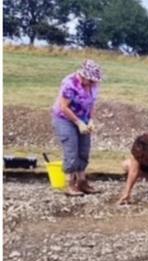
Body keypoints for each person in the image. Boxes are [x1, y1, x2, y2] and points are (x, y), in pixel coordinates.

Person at [52, 59, 102, 196]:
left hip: (84, 118)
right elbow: (63, 107)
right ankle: (70, 184)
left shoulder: (93, 85)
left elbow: (91, 104)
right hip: (65, 119)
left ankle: (82, 182)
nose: (93, 84)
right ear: (84, 76)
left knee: (84, 150)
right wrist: (78, 122)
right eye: (91, 81)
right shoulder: (69, 84)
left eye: (95, 81)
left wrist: (90, 119)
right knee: (71, 151)